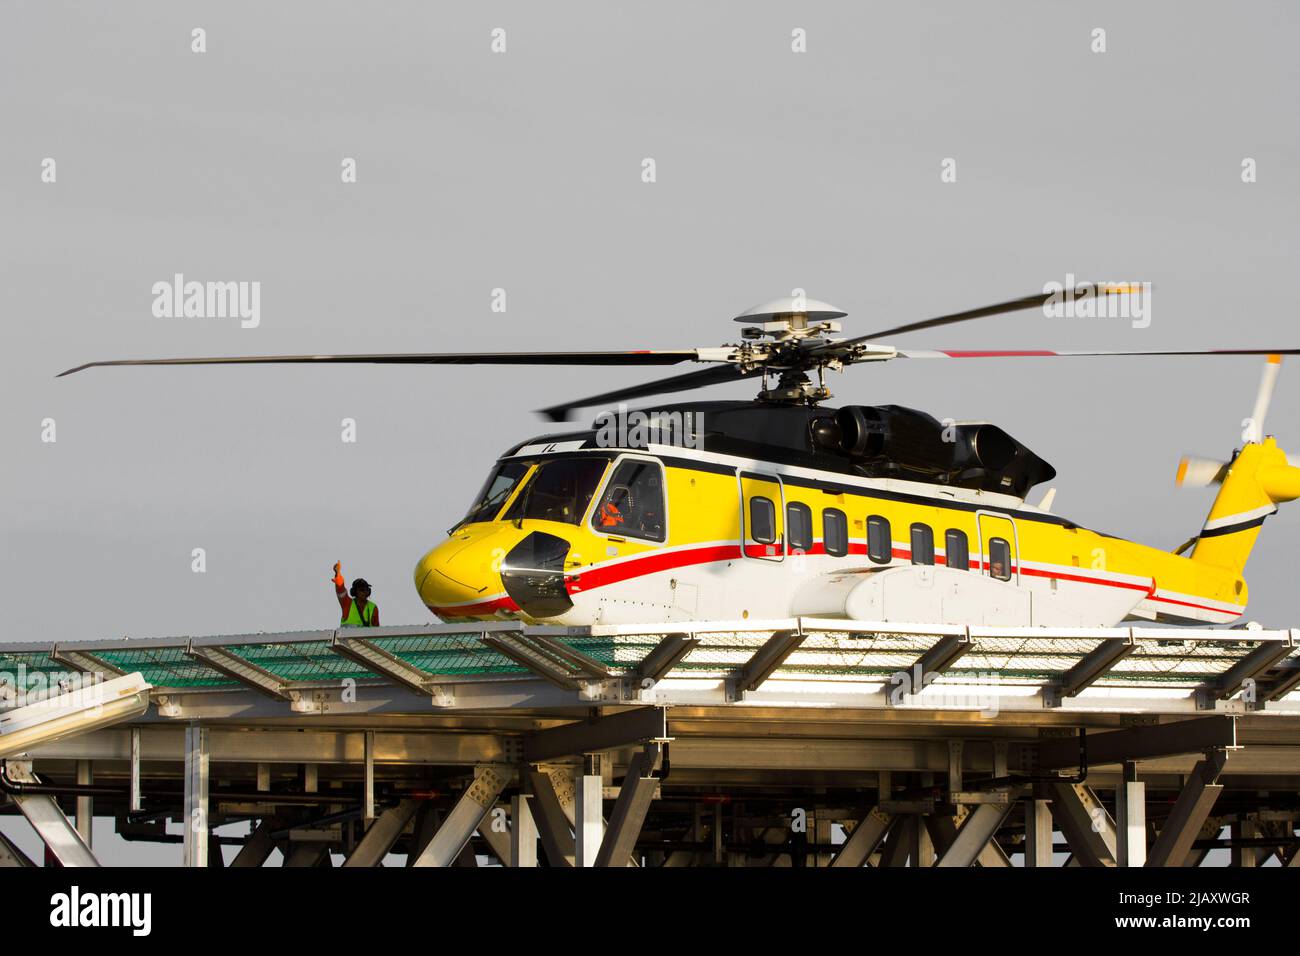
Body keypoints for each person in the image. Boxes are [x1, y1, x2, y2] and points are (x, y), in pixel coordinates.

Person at [332, 561, 379, 627]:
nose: (365, 592)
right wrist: (338, 574)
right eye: (361, 590)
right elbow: (341, 591)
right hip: (347, 637)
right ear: (354, 592)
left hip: (365, 637)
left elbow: (377, 632)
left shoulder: (373, 608)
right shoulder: (348, 604)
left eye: (367, 590)